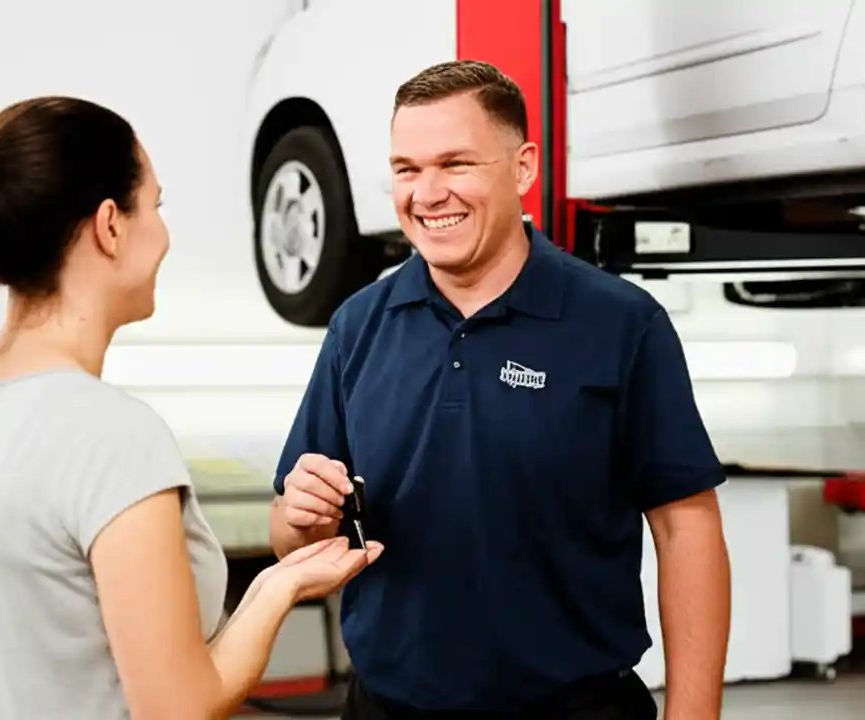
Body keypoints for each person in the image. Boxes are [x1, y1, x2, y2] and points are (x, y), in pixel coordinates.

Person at [269, 61, 731, 719]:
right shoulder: (358, 327)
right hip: (387, 707)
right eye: (407, 169)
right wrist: (298, 519)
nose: (427, 194)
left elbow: (686, 531)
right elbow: (293, 533)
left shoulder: (623, 324)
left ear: (522, 168)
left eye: (455, 164)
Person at [0, 95, 382, 720]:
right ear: (110, 225)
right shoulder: (109, 436)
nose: (163, 233)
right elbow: (180, 707)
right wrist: (277, 586)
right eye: (155, 205)